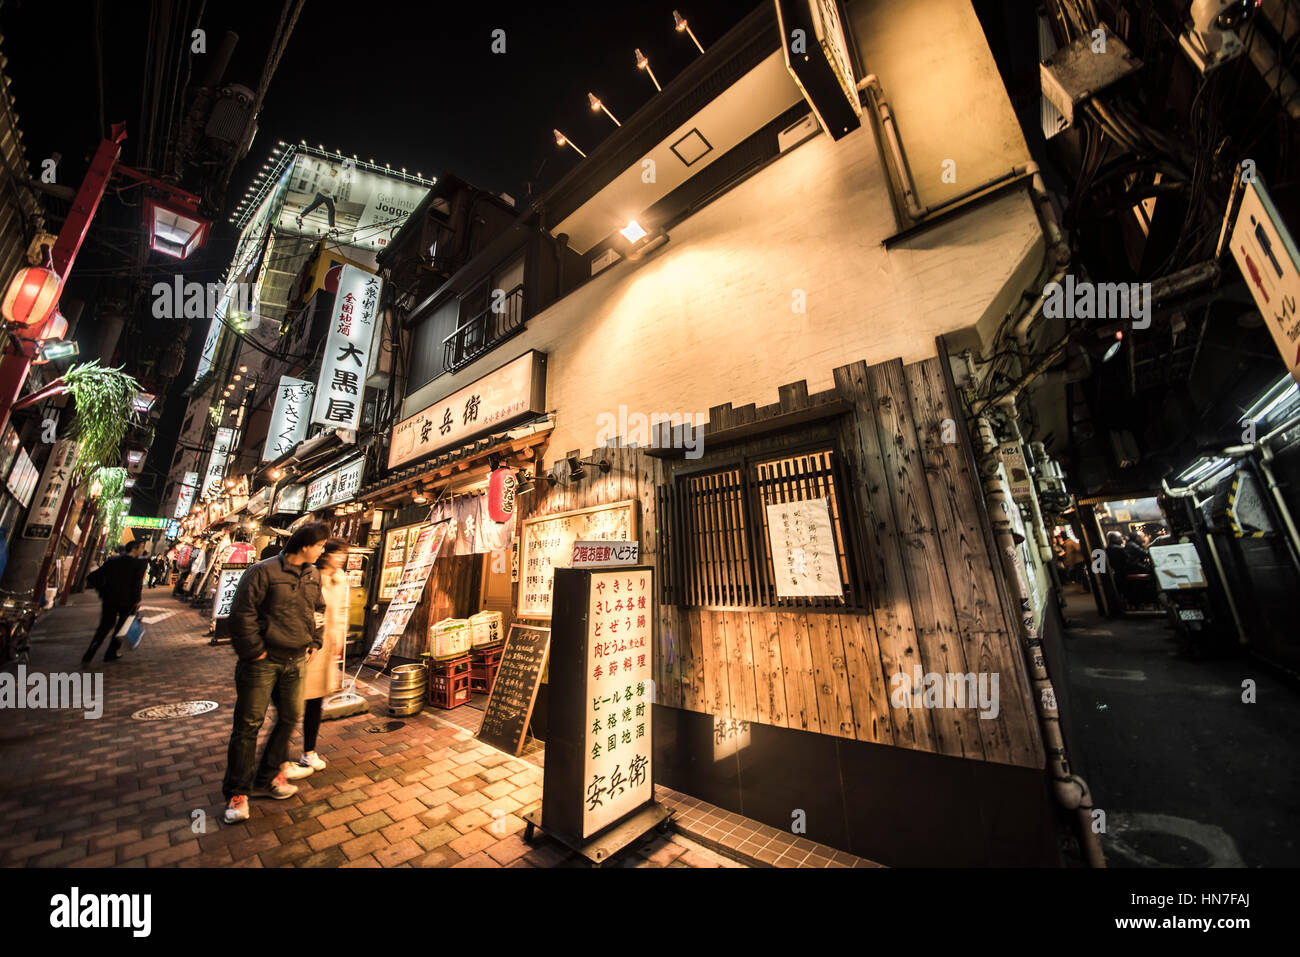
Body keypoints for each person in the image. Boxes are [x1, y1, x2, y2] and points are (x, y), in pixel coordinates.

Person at [221, 522, 330, 824]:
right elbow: (241, 614)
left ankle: (267, 777)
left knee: (289, 718)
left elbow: (318, 610)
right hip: (261, 663)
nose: (323, 551)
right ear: (305, 544)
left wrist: (315, 642)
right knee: (247, 726)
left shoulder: (313, 574)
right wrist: (254, 651)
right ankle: (237, 792)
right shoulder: (263, 571)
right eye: (321, 545)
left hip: (296, 660)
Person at [298, 538, 349, 771]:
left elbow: (342, 612)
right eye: (338, 553)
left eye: (344, 554)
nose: (342, 558)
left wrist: (339, 637)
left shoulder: (342, 579)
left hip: (326, 647)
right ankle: (276, 759)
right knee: (292, 703)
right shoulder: (309, 576)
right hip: (305, 647)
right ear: (325, 554)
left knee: (315, 701)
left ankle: (308, 751)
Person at [82, 541, 149, 665]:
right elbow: (137, 584)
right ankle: (111, 653)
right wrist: (137, 600)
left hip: (109, 599)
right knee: (121, 628)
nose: (142, 550)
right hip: (127, 601)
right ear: (134, 549)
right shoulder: (138, 564)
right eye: (141, 548)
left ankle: (90, 653)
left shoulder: (113, 561)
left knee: (104, 627)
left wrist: (103, 591)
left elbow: (92, 577)